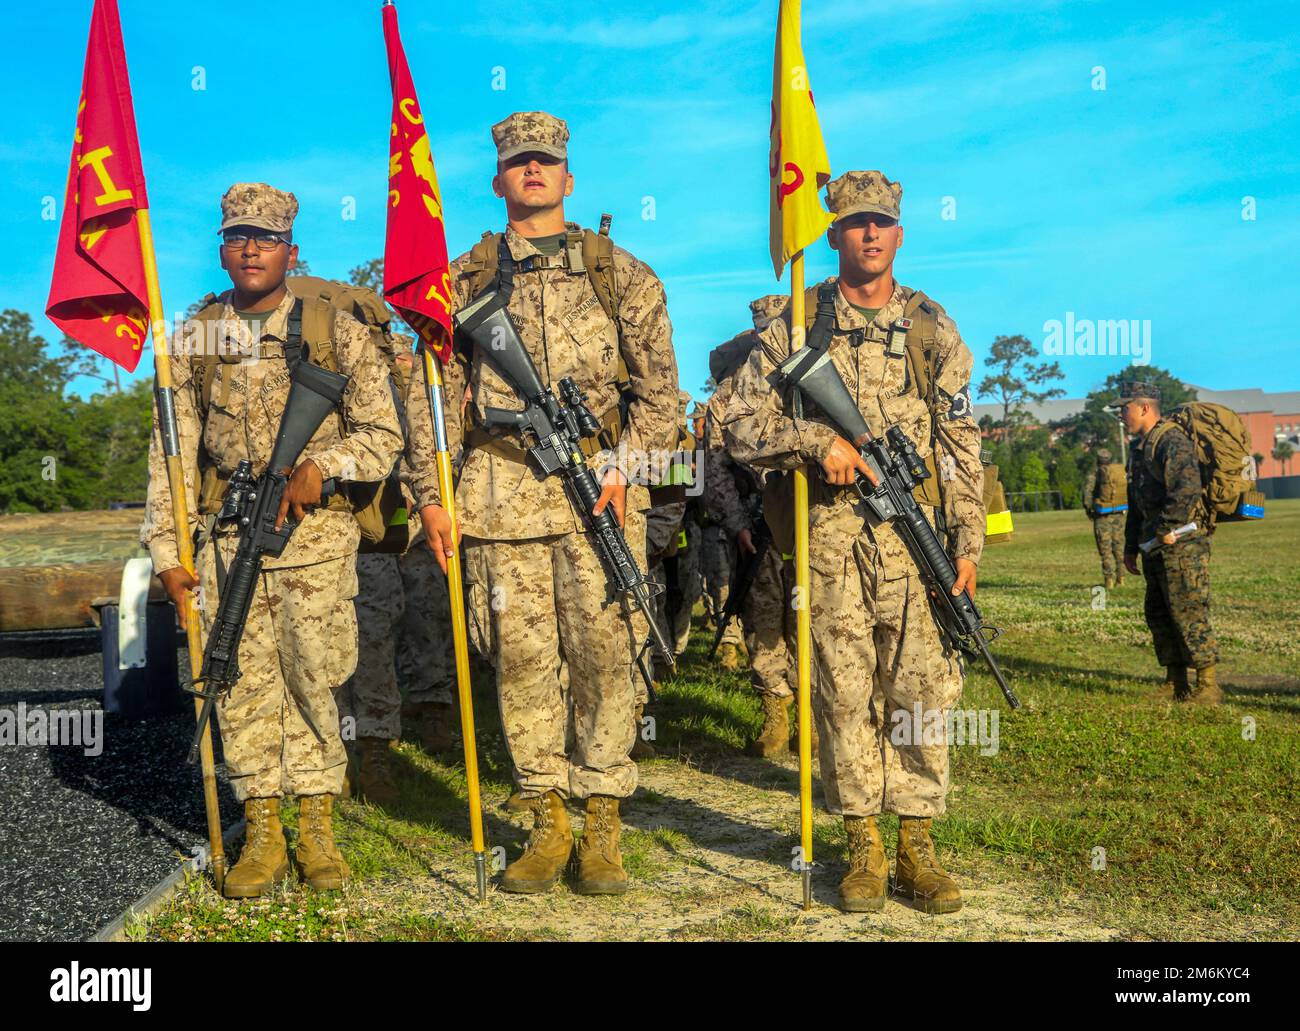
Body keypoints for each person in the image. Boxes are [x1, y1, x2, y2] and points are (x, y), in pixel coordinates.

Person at [404, 112, 680, 896]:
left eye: (546, 161)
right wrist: (433, 494)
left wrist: (627, 466)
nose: (533, 171)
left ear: (568, 179)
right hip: (498, 497)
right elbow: (432, 402)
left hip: (599, 499)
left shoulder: (622, 275)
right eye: (518, 161)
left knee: (604, 659)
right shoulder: (458, 283)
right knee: (520, 664)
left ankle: (601, 823)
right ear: (498, 180)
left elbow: (662, 398)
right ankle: (545, 819)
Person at [724, 170, 984, 914]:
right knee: (842, 690)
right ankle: (862, 844)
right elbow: (735, 419)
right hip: (829, 539)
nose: (869, 233)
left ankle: (916, 845)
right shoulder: (797, 325)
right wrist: (815, 442)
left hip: (914, 540)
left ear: (899, 234)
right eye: (854, 221)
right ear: (833, 233)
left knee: (921, 693)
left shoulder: (933, 326)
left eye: (882, 222)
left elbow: (961, 445)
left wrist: (967, 546)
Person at [143, 183, 403, 897]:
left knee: (314, 675)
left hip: (314, 538)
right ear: (222, 248)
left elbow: (384, 432)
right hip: (231, 537)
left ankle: (316, 826)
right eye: (236, 236)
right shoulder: (195, 337)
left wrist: (325, 466)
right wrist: (169, 552)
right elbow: (171, 450)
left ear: (292, 247)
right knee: (237, 678)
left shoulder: (333, 328)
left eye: (264, 236)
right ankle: (261, 828)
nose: (250, 247)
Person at [1112, 382, 1221, 703]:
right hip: (1154, 544)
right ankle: (1175, 681)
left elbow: (1187, 489)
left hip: (1182, 542)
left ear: (1144, 407)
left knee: (1188, 609)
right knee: (1159, 611)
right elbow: (1136, 501)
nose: (1122, 414)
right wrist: (1131, 546)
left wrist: (1167, 527)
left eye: (1125, 407)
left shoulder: (1172, 440)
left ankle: (1208, 684)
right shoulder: (1138, 447)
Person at [1083, 447, 1128, 589]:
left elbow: (1086, 495)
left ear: (1097, 460)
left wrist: (1090, 510)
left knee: (1105, 549)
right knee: (1119, 547)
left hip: (1102, 516)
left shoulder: (1095, 474)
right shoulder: (1117, 474)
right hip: (1119, 515)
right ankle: (1121, 577)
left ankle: (1109, 579)